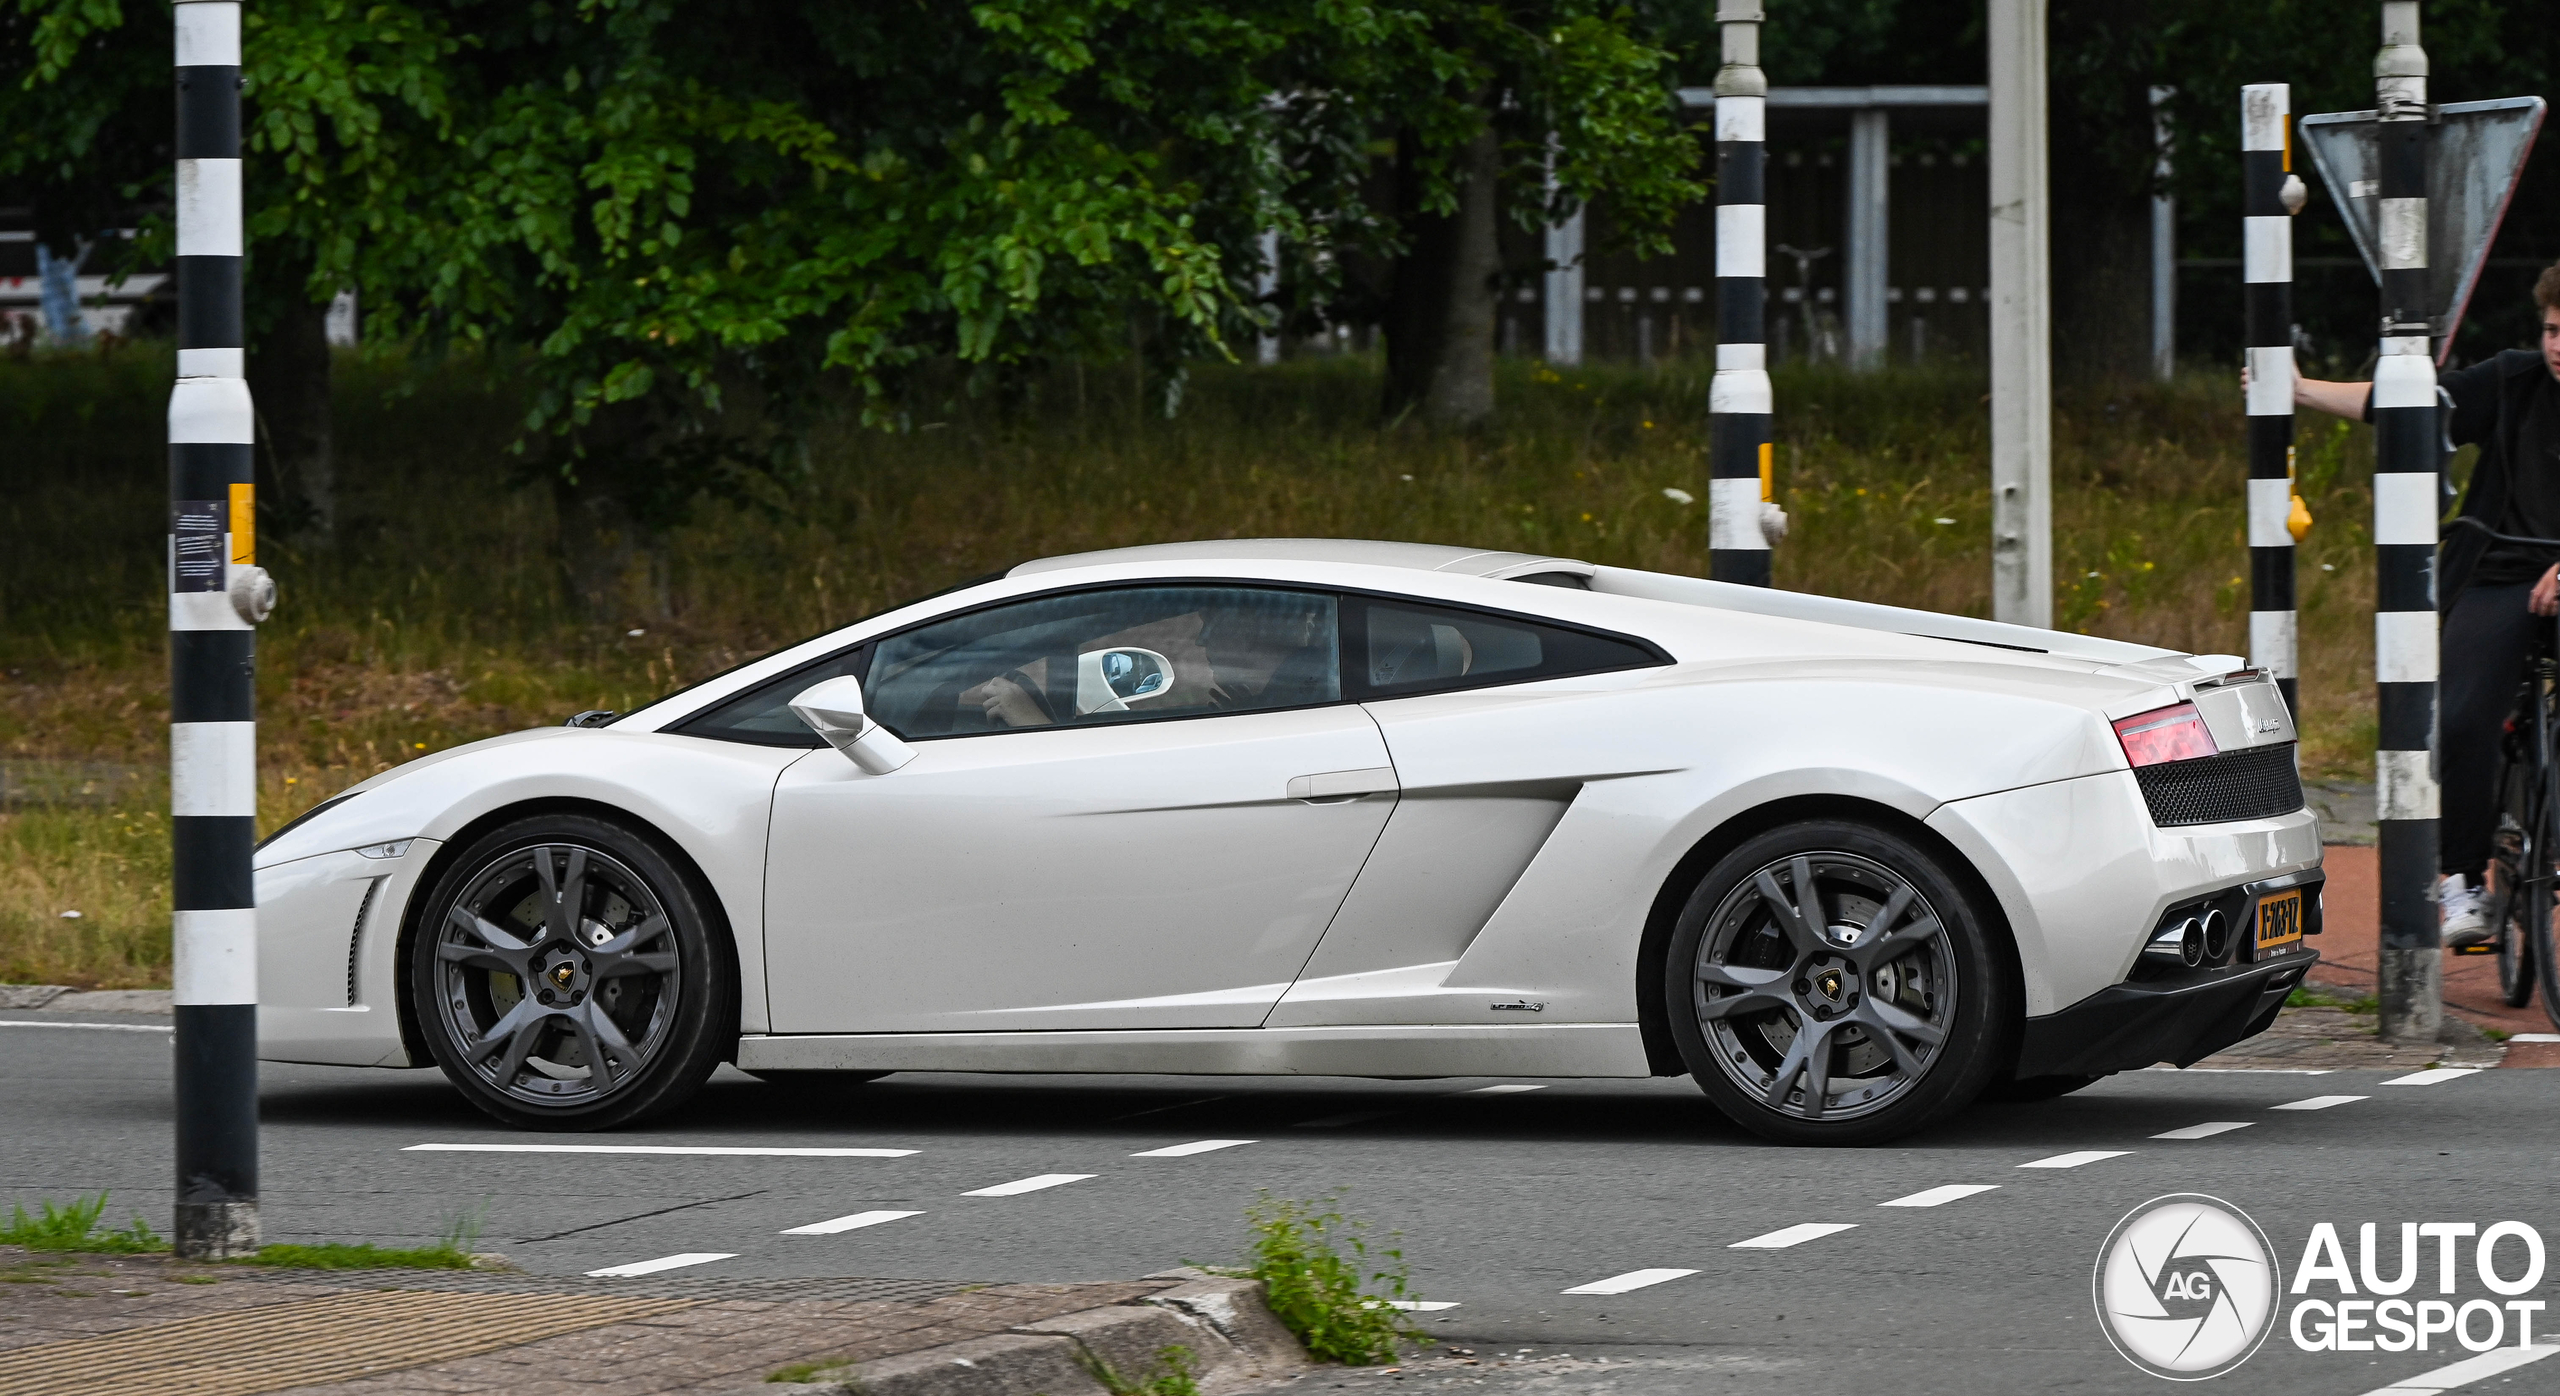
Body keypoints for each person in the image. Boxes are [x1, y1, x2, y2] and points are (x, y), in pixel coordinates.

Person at [2288, 262, 2560, 945]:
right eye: (2554, 330)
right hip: (2499, 574)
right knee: (2462, 718)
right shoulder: (2513, 380)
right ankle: (2463, 879)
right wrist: (2298, 389)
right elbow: (2407, 403)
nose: (2559, 346)